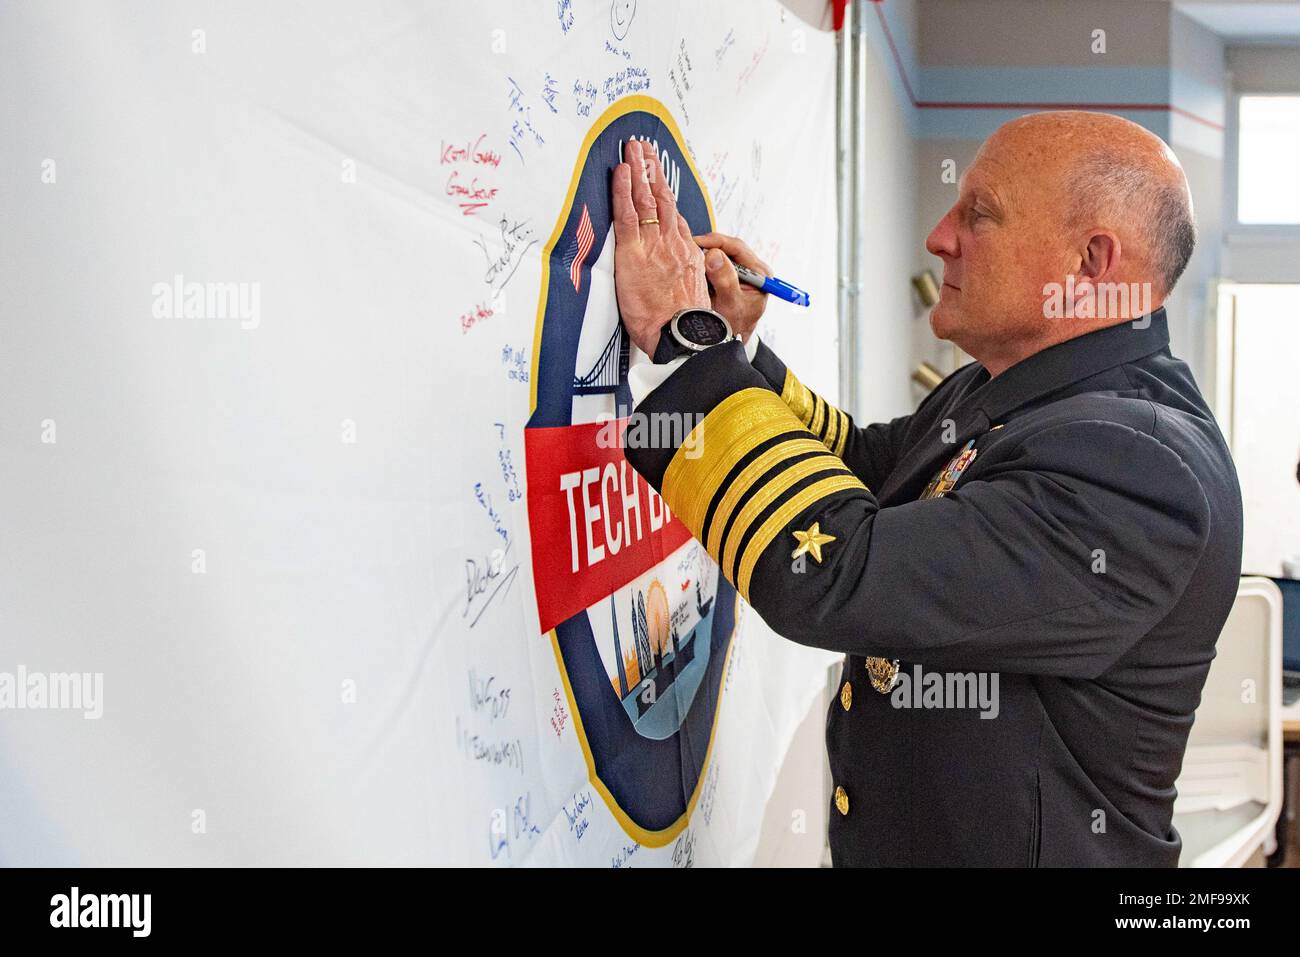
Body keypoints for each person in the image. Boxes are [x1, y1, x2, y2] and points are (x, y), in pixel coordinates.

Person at [609, 112, 1244, 866]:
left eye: (980, 214)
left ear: (1090, 264)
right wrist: (734, 346)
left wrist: (685, 347)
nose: (940, 236)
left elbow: (837, 567)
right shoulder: (1017, 389)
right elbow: (864, 467)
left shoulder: (1142, 468)